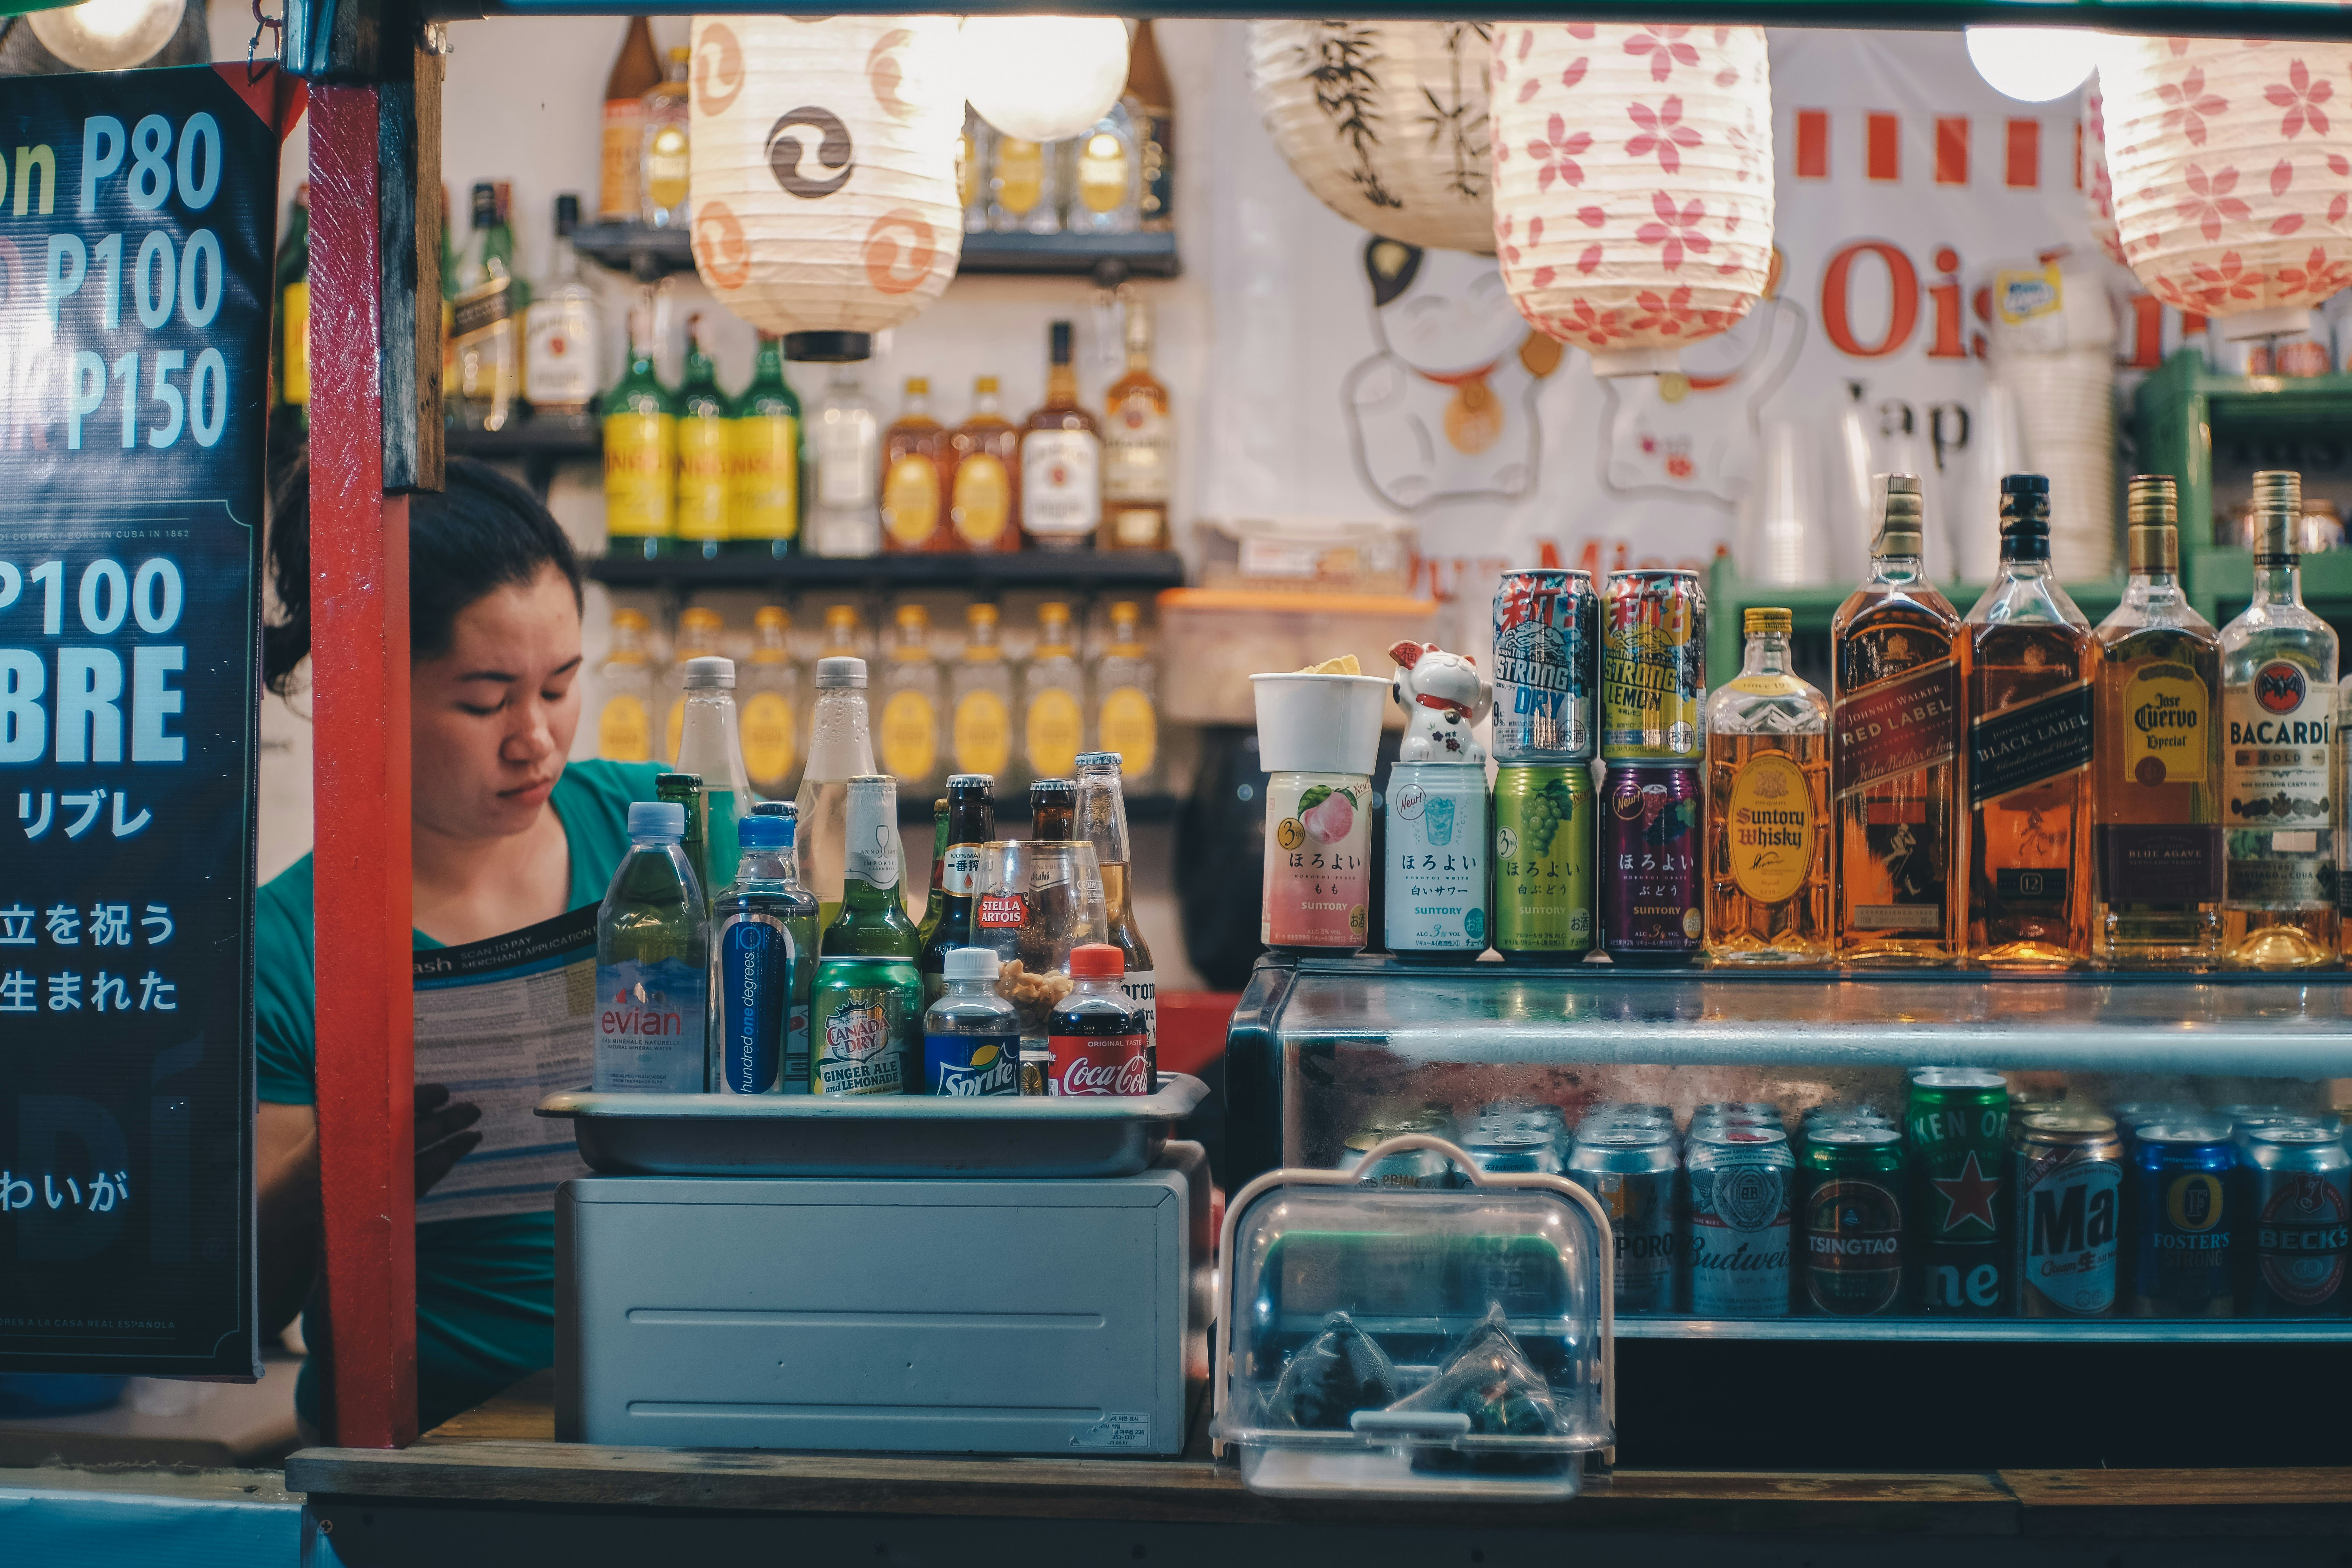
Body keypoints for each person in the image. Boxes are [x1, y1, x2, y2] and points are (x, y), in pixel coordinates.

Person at [255, 457, 660, 1436]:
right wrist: (348, 1166)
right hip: (418, 1440)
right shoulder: (289, 940)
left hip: (681, 1395)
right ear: (361, 684)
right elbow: (253, 1300)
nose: (538, 740)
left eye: (561, 686)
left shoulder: (665, 843)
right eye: (486, 702)